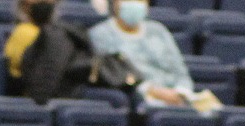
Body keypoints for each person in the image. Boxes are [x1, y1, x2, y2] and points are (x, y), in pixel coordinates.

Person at [87, 0, 218, 113]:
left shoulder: (159, 31)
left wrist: (181, 92)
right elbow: (114, 75)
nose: (135, 4)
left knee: (212, 111)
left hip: (177, 98)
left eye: (140, 0)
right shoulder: (100, 35)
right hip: (140, 99)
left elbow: (180, 72)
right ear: (115, 3)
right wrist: (154, 92)